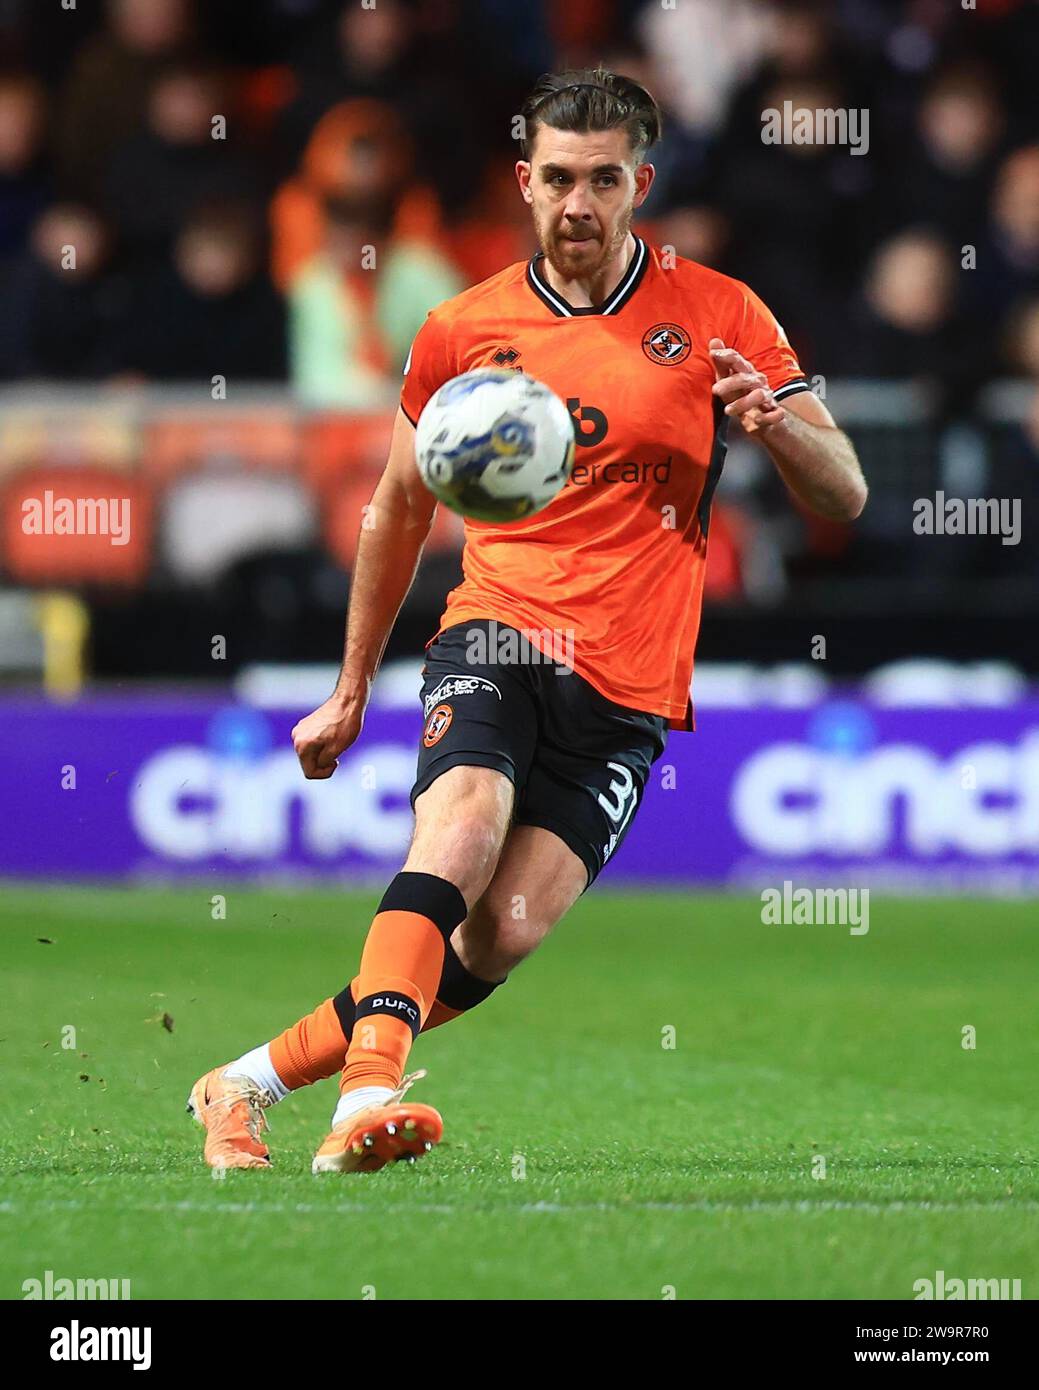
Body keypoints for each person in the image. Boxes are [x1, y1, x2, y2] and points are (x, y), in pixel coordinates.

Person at [189, 67, 867, 1174]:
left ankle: (244, 1082)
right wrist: (352, 683)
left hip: (633, 683)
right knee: (456, 830)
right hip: (498, 629)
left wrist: (779, 429)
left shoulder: (722, 315)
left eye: (604, 179)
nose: (578, 204)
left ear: (640, 182)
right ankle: (365, 1099)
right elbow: (396, 511)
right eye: (557, 178)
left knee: (499, 932)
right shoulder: (463, 329)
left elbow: (844, 493)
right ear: (524, 181)